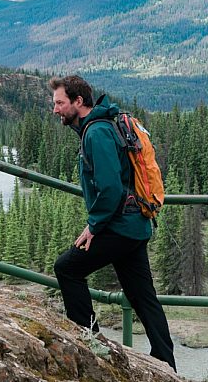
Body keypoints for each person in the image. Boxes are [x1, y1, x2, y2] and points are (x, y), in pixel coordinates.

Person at [49, 75, 176, 371]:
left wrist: (94, 225)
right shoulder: (102, 125)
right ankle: (167, 364)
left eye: (60, 103)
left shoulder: (96, 133)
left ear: (78, 102)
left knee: (67, 268)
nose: (55, 109)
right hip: (134, 226)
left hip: (119, 227)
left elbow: (110, 189)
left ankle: (89, 343)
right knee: (143, 298)